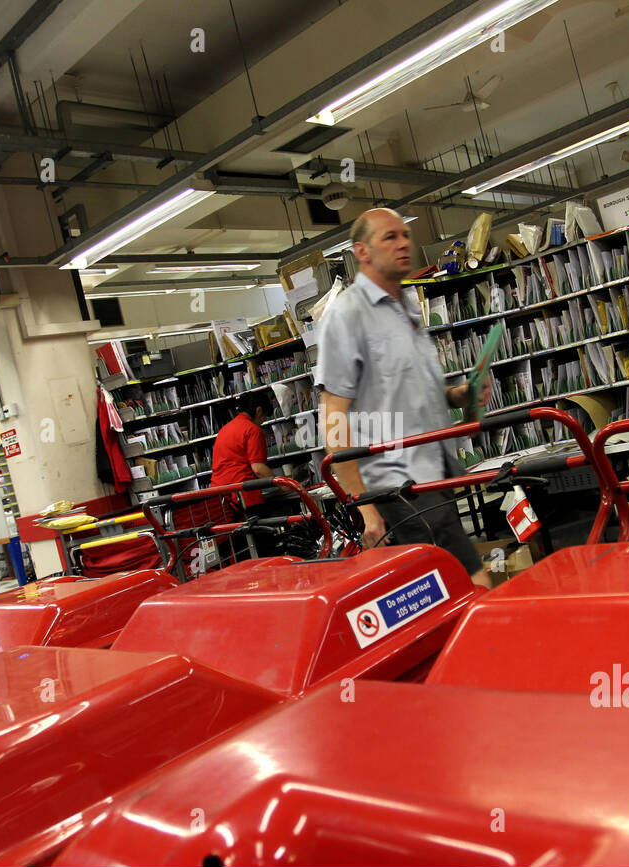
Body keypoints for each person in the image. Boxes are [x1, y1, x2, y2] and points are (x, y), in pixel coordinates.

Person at [316, 207, 493, 587]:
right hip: (397, 481)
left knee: (453, 587)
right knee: (469, 582)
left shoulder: (407, 306)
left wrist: (459, 395)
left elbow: (409, 392)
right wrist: (366, 510)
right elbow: (333, 415)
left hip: (432, 472)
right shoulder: (346, 316)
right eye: (390, 237)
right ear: (362, 252)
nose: (403, 243)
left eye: (405, 235)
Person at [210, 394, 280, 558]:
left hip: (222, 499)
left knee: (241, 551)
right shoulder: (252, 429)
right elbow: (258, 468)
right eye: (263, 418)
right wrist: (283, 484)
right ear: (258, 410)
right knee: (264, 549)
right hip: (245, 497)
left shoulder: (225, 429)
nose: (262, 422)